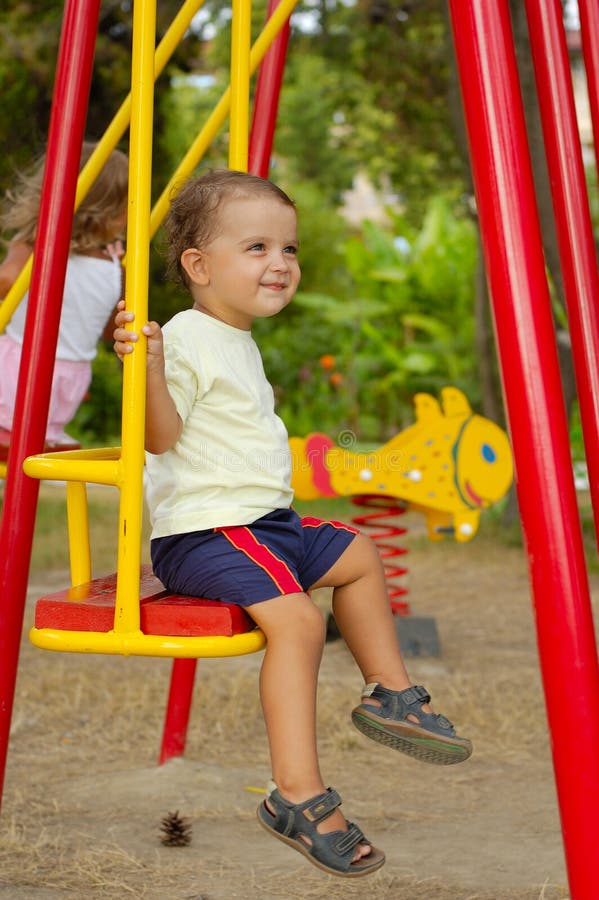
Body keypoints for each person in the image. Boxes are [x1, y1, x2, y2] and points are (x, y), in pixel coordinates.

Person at [113, 169, 472, 878]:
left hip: (260, 526)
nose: (280, 263)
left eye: (289, 249)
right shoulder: (183, 335)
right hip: (206, 533)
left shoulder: (234, 335)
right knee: (300, 623)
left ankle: (389, 693)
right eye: (257, 247)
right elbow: (158, 437)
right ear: (198, 265)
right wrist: (148, 370)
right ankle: (297, 796)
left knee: (357, 555)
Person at [0, 141, 128, 446]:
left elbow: (5, 280)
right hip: (70, 383)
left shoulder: (32, 250)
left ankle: (10, 434)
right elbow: (113, 332)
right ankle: (46, 434)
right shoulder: (114, 269)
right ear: (114, 213)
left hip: (19, 374)